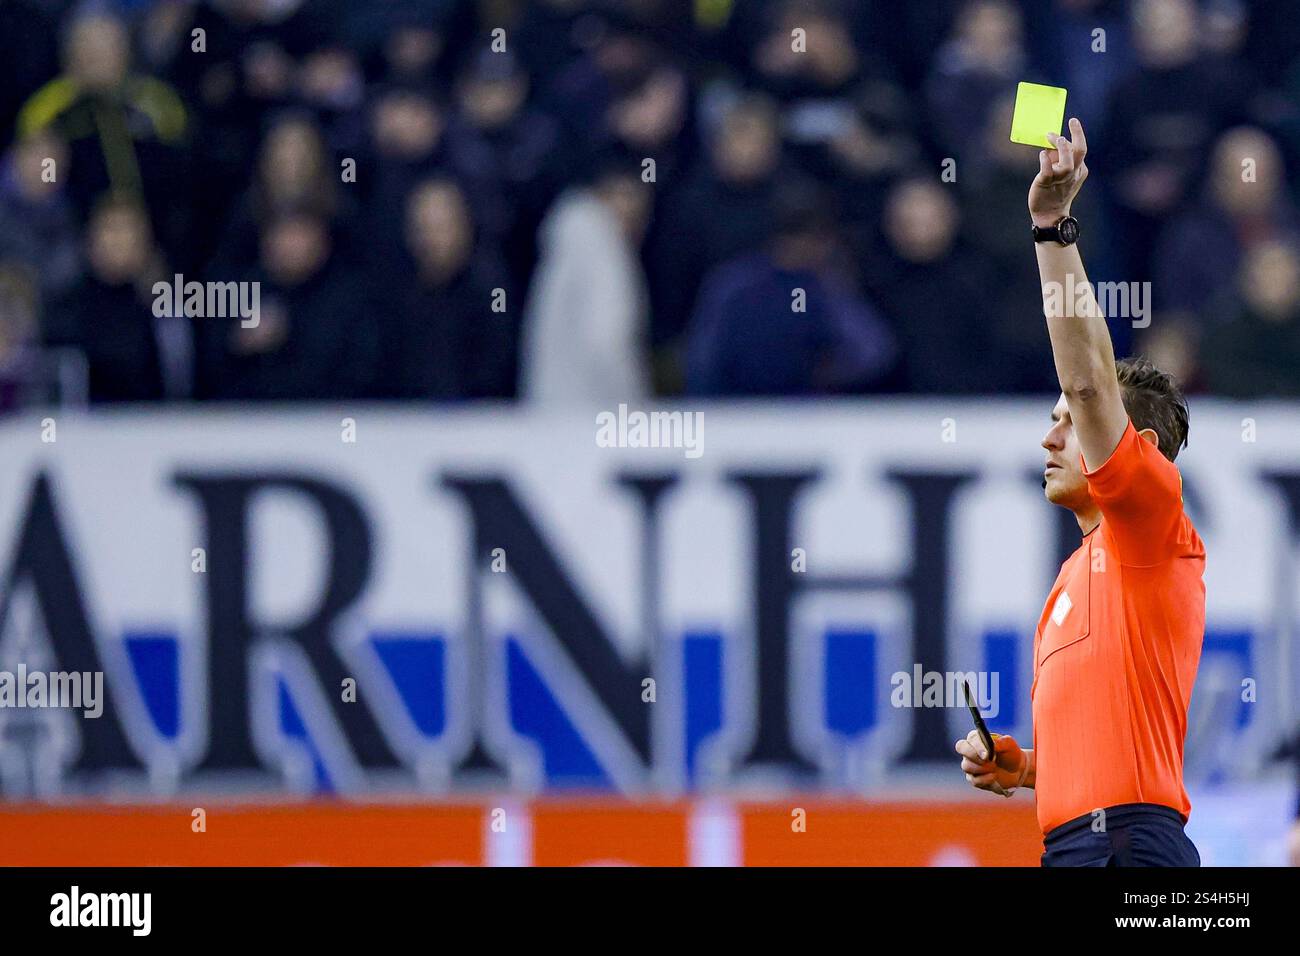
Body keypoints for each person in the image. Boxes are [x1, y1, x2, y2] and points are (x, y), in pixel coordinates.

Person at [955, 118, 1207, 867]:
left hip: (1126, 850)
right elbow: (1108, 754)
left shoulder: (1149, 521)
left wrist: (1052, 227)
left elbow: (1089, 379)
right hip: (1081, 846)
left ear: (1143, 450)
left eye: (1070, 424)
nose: (1050, 437)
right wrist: (1025, 768)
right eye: (1053, 422)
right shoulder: (1079, 571)